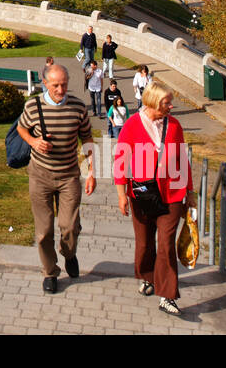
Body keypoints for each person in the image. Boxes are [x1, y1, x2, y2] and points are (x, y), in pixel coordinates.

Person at [113, 80, 196, 316]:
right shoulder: (131, 126)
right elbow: (120, 163)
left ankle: (167, 295)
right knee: (144, 243)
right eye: (166, 102)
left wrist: (189, 192)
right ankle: (148, 276)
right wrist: (121, 195)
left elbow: (182, 160)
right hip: (142, 195)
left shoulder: (175, 126)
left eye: (170, 102)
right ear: (151, 102)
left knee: (166, 244)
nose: (171, 106)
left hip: (171, 194)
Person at [14, 62, 95, 294]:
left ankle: (69, 254)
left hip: (69, 175)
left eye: (64, 85)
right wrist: (33, 142)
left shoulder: (78, 107)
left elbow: (87, 139)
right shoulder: (33, 105)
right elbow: (21, 128)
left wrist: (92, 173)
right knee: (44, 232)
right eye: (56, 85)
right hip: (40, 175)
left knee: (69, 226)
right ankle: (50, 272)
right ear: (46, 84)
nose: (61, 90)